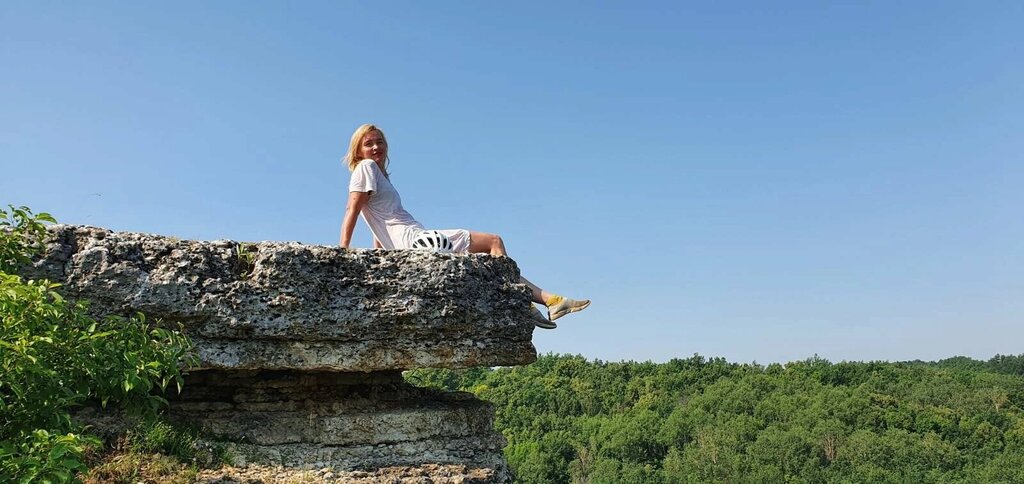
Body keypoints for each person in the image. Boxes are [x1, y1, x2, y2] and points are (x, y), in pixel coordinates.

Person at [338, 124, 589, 329]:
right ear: (358, 150)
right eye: (368, 143)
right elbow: (353, 209)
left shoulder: (379, 175)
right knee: (494, 242)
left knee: (488, 260)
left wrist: (381, 257)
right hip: (417, 239)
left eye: (380, 141)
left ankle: (551, 300)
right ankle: (521, 302)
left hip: (410, 241)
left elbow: (378, 221)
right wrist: (343, 250)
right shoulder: (366, 167)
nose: (376, 147)